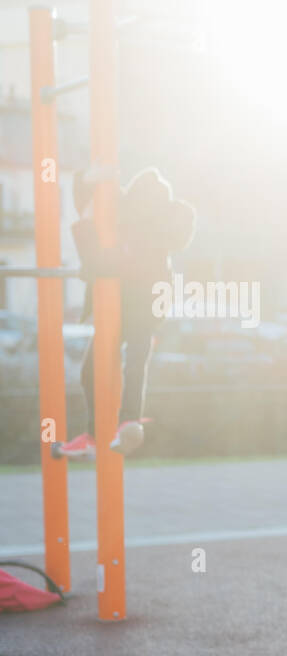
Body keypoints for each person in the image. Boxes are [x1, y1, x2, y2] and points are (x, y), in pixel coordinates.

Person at [56, 167, 196, 460]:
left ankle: (127, 421)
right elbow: (93, 207)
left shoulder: (148, 232)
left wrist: (86, 204)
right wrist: (87, 179)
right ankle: (101, 432)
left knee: (133, 357)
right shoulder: (128, 218)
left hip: (141, 300)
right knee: (107, 364)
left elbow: (102, 262)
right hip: (121, 301)